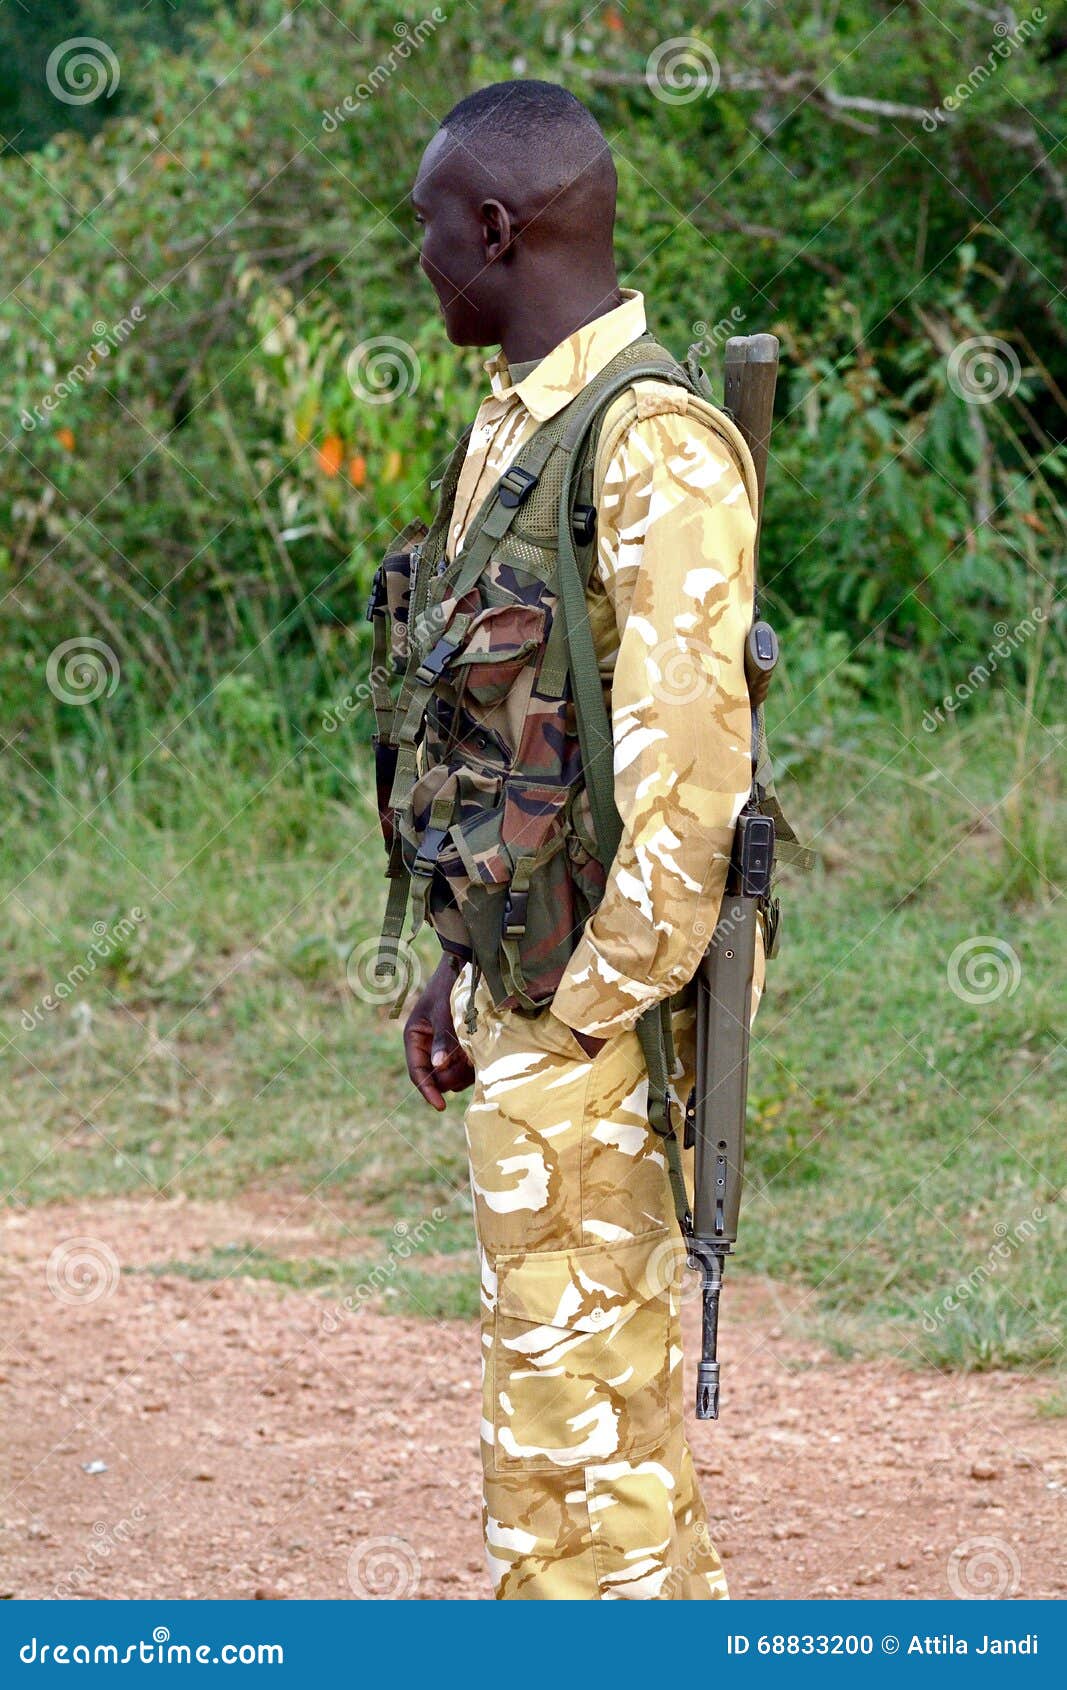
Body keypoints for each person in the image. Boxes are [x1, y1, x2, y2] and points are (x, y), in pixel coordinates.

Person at [382, 79, 763, 1599]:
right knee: (562, 1443)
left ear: (494, 227)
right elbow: (512, 746)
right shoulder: (520, 424)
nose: (419, 258)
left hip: (599, 1025)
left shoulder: (651, 448)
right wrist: (464, 972)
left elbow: (690, 806)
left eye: (429, 228)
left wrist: (570, 1024)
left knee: (587, 1460)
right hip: (532, 990)